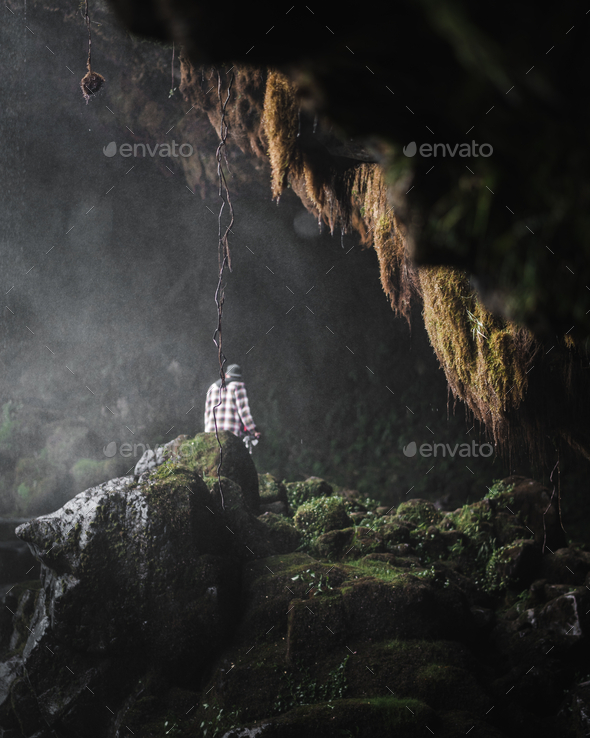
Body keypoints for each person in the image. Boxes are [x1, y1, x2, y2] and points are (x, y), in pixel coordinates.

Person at [204, 364, 261, 440]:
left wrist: (206, 433)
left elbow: (207, 413)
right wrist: (253, 430)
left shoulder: (212, 387)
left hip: (212, 433)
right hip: (231, 433)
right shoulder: (238, 385)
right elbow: (244, 411)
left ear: (226, 375)